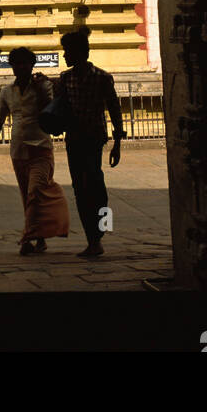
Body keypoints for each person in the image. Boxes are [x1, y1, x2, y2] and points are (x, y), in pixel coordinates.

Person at [0, 47, 70, 255]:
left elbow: (50, 110)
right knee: (28, 196)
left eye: (25, 64)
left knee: (35, 191)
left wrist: (42, 88)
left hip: (41, 147)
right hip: (18, 149)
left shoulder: (42, 86)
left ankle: (27, 238)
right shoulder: (6, 92)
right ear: (12, 67)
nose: (21, 68)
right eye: (17, 64)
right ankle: (39, 237)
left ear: (32, 65)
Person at [57, 28, 125, 257]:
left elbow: (114, 109)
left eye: (67, 51)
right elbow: (59, 106)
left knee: (95, 186)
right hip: (74, 139)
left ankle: (101, 229)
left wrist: (118, 142)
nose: (64, 56)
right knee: (79, 188)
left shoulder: (102, 78)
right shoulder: (65, 79)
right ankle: (92, 238)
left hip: (94, 138)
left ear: (79, 52)